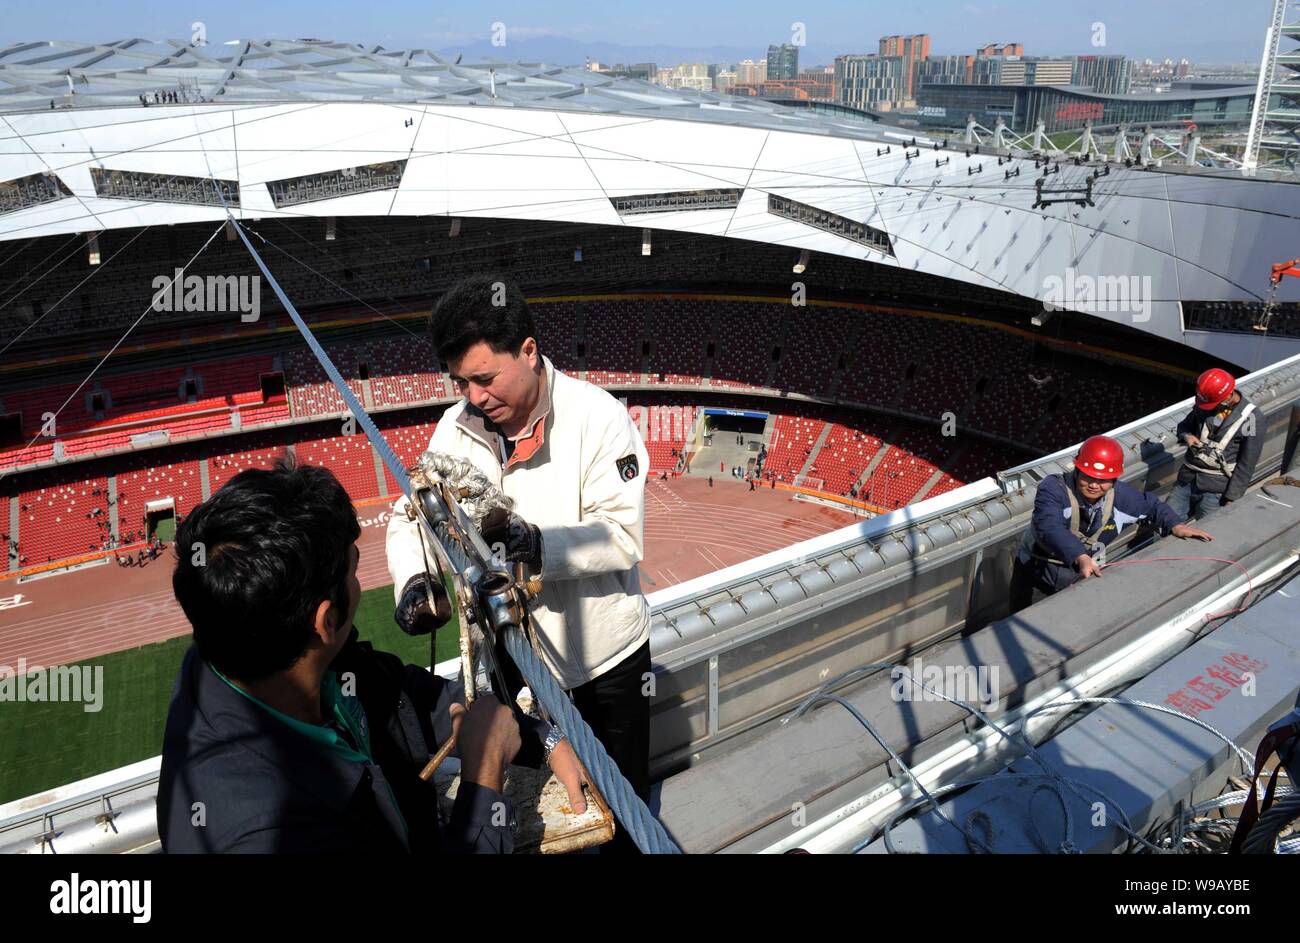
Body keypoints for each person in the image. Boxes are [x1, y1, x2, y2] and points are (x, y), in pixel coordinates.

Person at [158, 460, 585, 854]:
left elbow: (397, 693)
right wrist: (484, 774)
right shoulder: (264, 835)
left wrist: (540, 738)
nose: (360, 583)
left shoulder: (245, 645)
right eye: (353, 569)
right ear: (325, 621)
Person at [386, 276, 651, 853]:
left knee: (623, 802)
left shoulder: (598, 418)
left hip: (604, 667)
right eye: (461, 382)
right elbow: (412, 516)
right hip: (514, 671)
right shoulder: (453, 431)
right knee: (536, 816)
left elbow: (622, 537)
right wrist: (415, 582)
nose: (474, 397)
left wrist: (536, 544)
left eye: (484, 378)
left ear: (528, 351)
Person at [1009, 435, 1212, 613]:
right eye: (1088, 476)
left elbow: (1152, 506)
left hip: (1082, 573)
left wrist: (1175, 525)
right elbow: (1049, 526)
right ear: (1077, 470)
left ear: (1114, 479)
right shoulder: (1054, 488)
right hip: (1037, 571)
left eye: (1103, 480)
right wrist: (1080, 556)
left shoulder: (1121, 497)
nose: (1094, 485)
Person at [1169, 368, 1262, 520]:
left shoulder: (1252, 418)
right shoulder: (1205, 405)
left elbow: (1247, 463)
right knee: (1166, 524)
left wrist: (1232, 498)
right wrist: (1187, 436)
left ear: (1228, 396)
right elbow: (1184, 426)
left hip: (1216, 489)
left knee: (1207, 530)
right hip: (1186, 480)